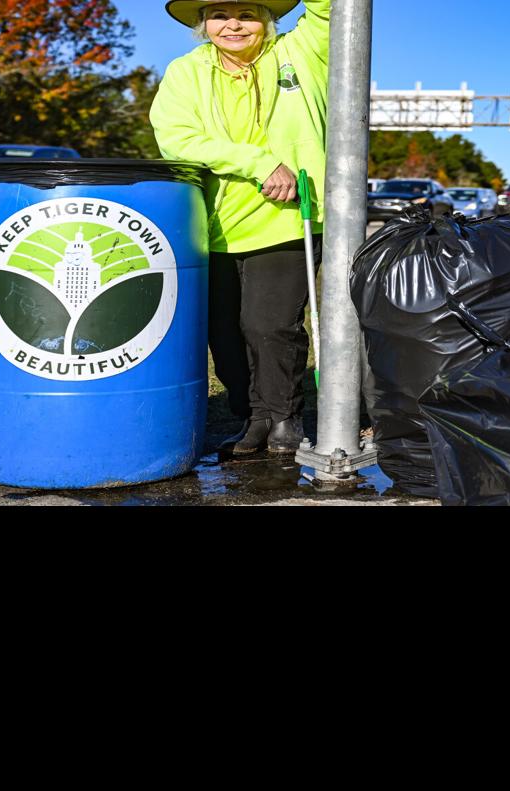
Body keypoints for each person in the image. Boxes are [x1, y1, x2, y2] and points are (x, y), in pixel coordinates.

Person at [150, 1, 329, 454]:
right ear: (203, 23)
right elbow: (178, 138)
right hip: (212, 225)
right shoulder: (184, 72)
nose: (233, 24)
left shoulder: (301, 51)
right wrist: (261, 162)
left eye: (247, 13)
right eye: (220, 14)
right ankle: (254, 418)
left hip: (288, 217)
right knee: (225, 332)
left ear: (267, 20)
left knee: (268, 325)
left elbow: (330, 11)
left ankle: (285, 418)